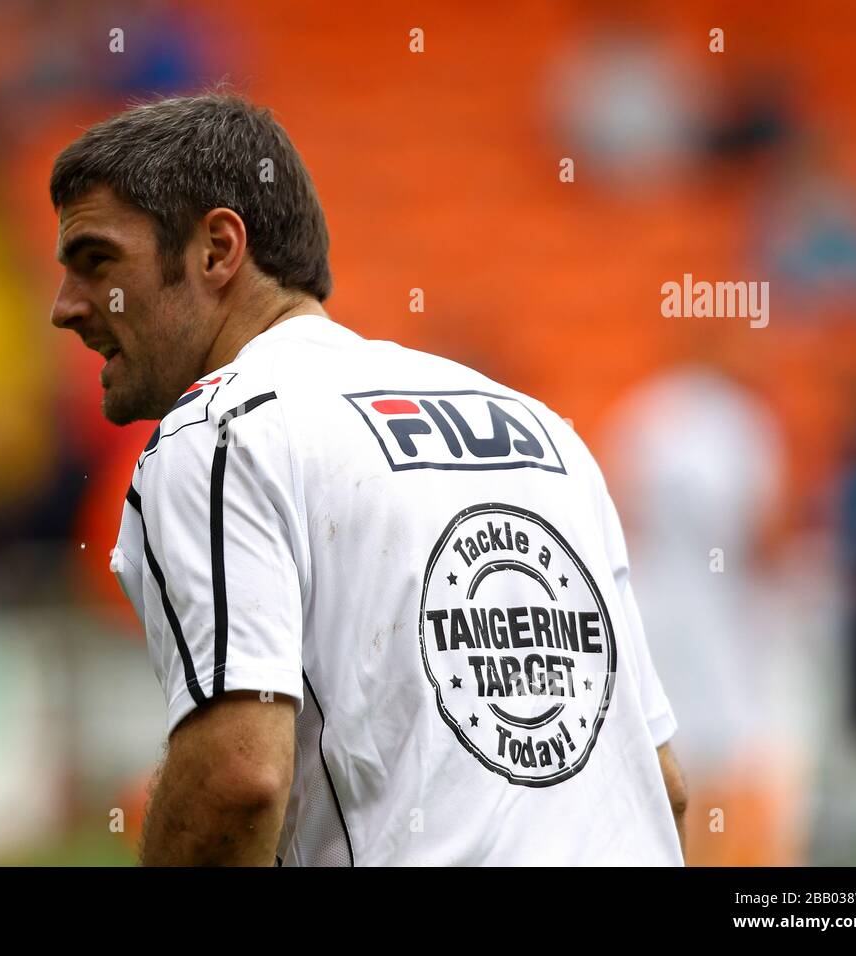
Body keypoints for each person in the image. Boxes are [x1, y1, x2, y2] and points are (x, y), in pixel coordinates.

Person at [49, 92, 687, 866]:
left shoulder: (220, 434)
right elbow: (662, 785)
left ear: (217, 250)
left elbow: (238, 779)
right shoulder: (543, 432)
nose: (66, 307)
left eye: (96, 261)